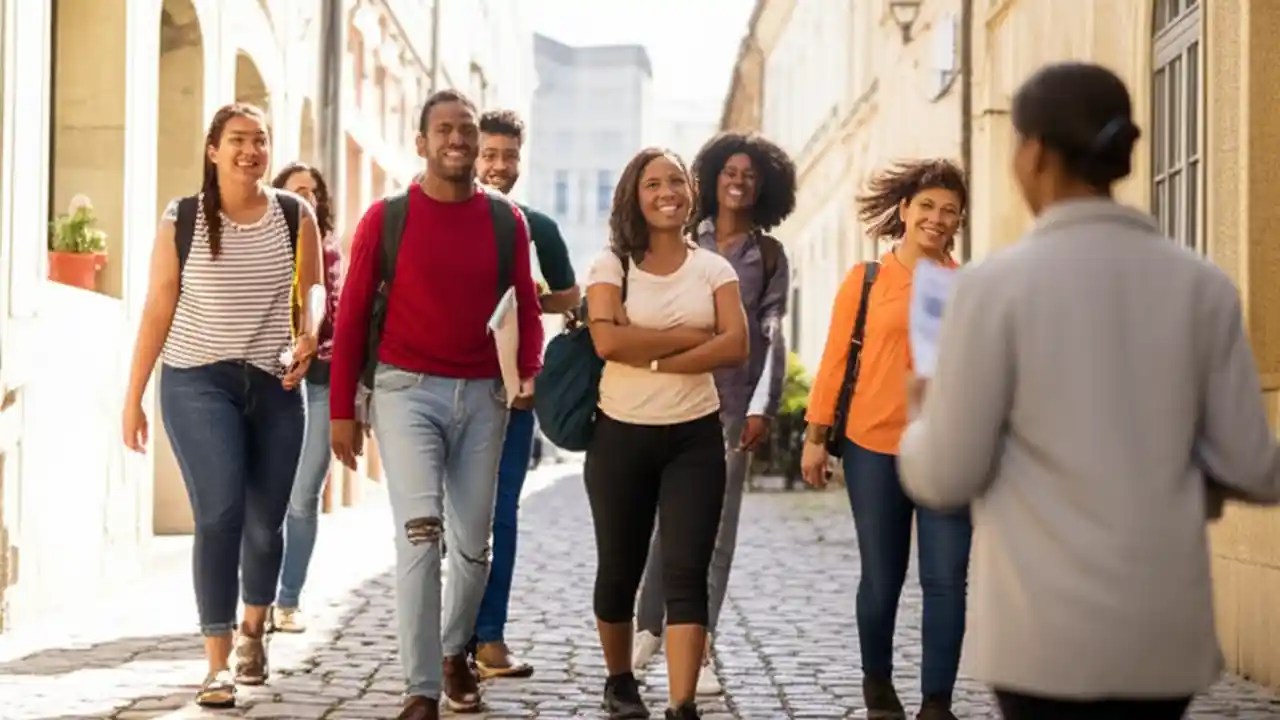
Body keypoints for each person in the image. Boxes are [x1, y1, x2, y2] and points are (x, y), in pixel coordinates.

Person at [897, 61, 1280, 720]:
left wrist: (920, 416)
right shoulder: (1202, 286)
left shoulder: (993, 288)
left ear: (1035, 152)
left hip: (1043, 639)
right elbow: (1255, 466)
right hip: (1161, 634)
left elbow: (945, 475)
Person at [328, 89, 543, 720]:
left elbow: (527, 309)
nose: (457, 139)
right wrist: (343, 407)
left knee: (474, 546)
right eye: (444, 129)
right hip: (405, 391)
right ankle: (420, 688)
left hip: (484, 397)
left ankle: (456, 652)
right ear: (421, 142)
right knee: (420, 534)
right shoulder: (386, 218)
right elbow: (349, 315)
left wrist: (525, 372)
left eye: (467, 130)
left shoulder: (508, 221)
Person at [121, 102, 323, 708]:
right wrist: (132, 397)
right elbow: (159, 305)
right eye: (237, 140)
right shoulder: (182, 218)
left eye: (260, 140)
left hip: (275, 384)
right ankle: (216, 661)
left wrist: (310, 332)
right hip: (196, 381)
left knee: (267, 521)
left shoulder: (295, 214)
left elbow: (310, 289)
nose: (250, 151)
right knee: (220, 514)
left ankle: (254, 629)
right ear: (213, 150)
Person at [800, 159, 971, 720]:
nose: (936, 217)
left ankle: (937, 702)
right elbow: (832, 362)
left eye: (949, 211)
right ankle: (878, 684)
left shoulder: (965, 285)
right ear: (905, 211)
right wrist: (816, 436)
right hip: (874, 444)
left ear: (958, 222)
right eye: (927, 206)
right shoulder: (868, 280)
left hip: (945, 448)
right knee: (883, 576)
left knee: (946, 578)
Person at [584, 147, 749, 720]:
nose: (666, 192)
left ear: (690, 192)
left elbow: (735, 345)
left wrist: (650, 349)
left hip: (693, 439)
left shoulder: (714, 269)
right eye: (652, 183)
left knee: (686, 571)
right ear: (635, 194)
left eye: (675, 181)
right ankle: (620, 681)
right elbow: (607, 342)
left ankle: (682, 703)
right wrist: (691, 337)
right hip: (620, 437)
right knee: (619, 568)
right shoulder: (612, 262)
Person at [631, 131, 796, 696]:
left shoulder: (769, 256)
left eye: (751, 174)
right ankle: (649, 628)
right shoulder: (685, 242)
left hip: (732, 408)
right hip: (674, 398)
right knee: (665, 521)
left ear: (764, 185)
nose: (739, 180)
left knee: (717, 534)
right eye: (730, 170)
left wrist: (763, 408)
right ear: (713, 176)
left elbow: (772, 335)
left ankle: (698, 649)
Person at [467, 108, 579, 679]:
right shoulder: (439, 216)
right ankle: (447, 634)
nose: (499, 165)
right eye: (490, 153)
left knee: (501, 514)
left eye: (509, 156)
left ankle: (489, 638)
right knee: (443, 518)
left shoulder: (539, 227)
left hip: (513, 391)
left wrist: (534, 298)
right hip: (444, 386)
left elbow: (572, 296)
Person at [269, 162, 342, 633]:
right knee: (266, 493)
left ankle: (287, 600)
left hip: (323, 379)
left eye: (313, 193)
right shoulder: (263, 246)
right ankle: (256, 596)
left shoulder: (332, 255)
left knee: (303, 495)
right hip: (272, 380)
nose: (307, 200)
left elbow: (343, 319)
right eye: (297, 191)